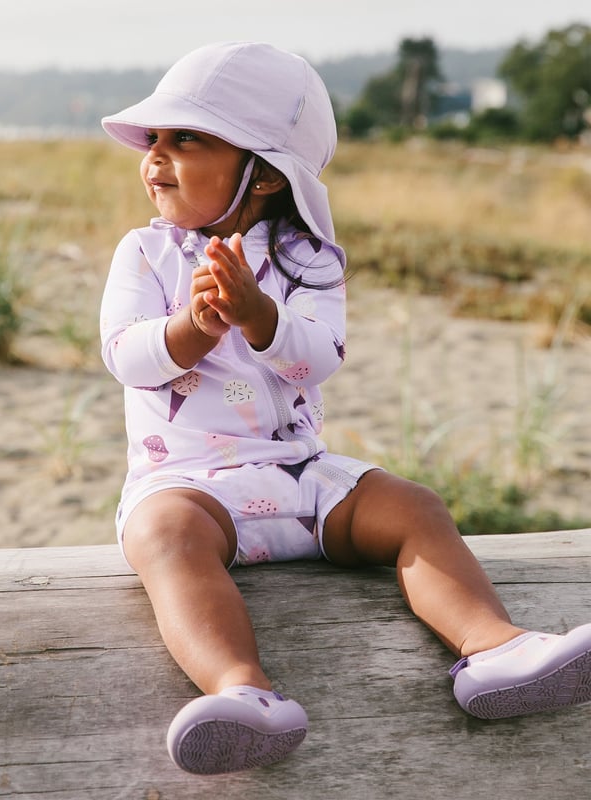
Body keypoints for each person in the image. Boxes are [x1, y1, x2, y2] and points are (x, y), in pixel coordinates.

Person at [98, 41, 591, 775]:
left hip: (302, 478)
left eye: (187, 139)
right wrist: (193, 327)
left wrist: (261, 316)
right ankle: (244, 693)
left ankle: (494, 646)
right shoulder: (145, 254)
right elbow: (125, 355)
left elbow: (318, 356)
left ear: (263, 174)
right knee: (162, 538)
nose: (155, 157)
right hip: (193, 484)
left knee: (413, 506)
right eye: (154, 140)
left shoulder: (308, 259)